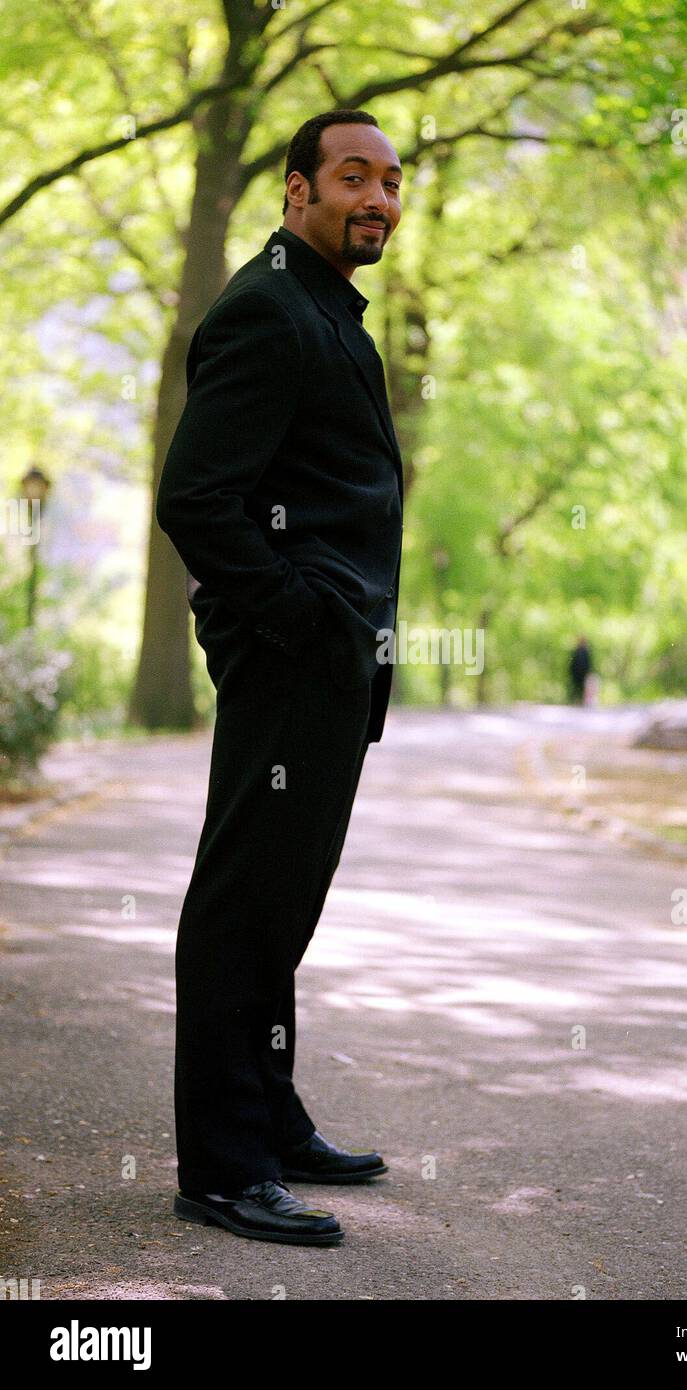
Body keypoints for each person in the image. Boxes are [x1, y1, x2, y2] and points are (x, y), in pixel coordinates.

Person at [155, 109, 405, 1246]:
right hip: (292, 656)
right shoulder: (267, 308)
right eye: (354, 176)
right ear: (295, 190)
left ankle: (273, 1116)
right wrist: (301, 618)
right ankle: (222, 1164)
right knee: (243, 908)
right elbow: (198, 497)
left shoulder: (326, 310)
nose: (379, 199)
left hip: (331, 659)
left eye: (392, 183)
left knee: (284, 905)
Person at [568, 636, 593, 706]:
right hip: (576, 673)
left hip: (583, 673)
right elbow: (572, 662)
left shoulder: (586, 651)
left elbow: (589, 662)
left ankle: (582, 702)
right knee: (575, 687)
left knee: (583, 688)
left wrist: (589, 672)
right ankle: (575, 701)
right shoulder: (576, 651)